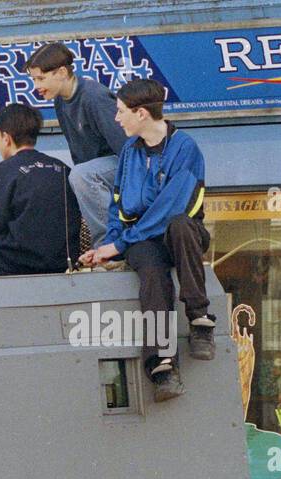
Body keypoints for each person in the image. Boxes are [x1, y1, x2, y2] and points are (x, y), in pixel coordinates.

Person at [81, 79, 214, 403]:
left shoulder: (185, 148)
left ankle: (200, 320)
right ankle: (162, 365)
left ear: (141, 113)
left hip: (181, 232)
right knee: (152, 274)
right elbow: (118, 205)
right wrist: (107, 247)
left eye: (121, 112)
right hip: (141, 238)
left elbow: (172, 206)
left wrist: (121, 244)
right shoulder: (130, 151)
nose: (117, 119)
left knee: (180, 226)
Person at [23, 42, 128, 247]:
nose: (36, 86)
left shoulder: (94, 97)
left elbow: (129, 150)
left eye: (41, 78)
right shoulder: (60, 101)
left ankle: (109, 245)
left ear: (62, 72)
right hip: (96, 171)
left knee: (82, 175)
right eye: (33, 79)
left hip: (128, 165)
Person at [0, 103, 81, 277]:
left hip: (16, 263)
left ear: (6, 138)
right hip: (62, 261)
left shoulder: (3, 171)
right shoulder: (62, 168)